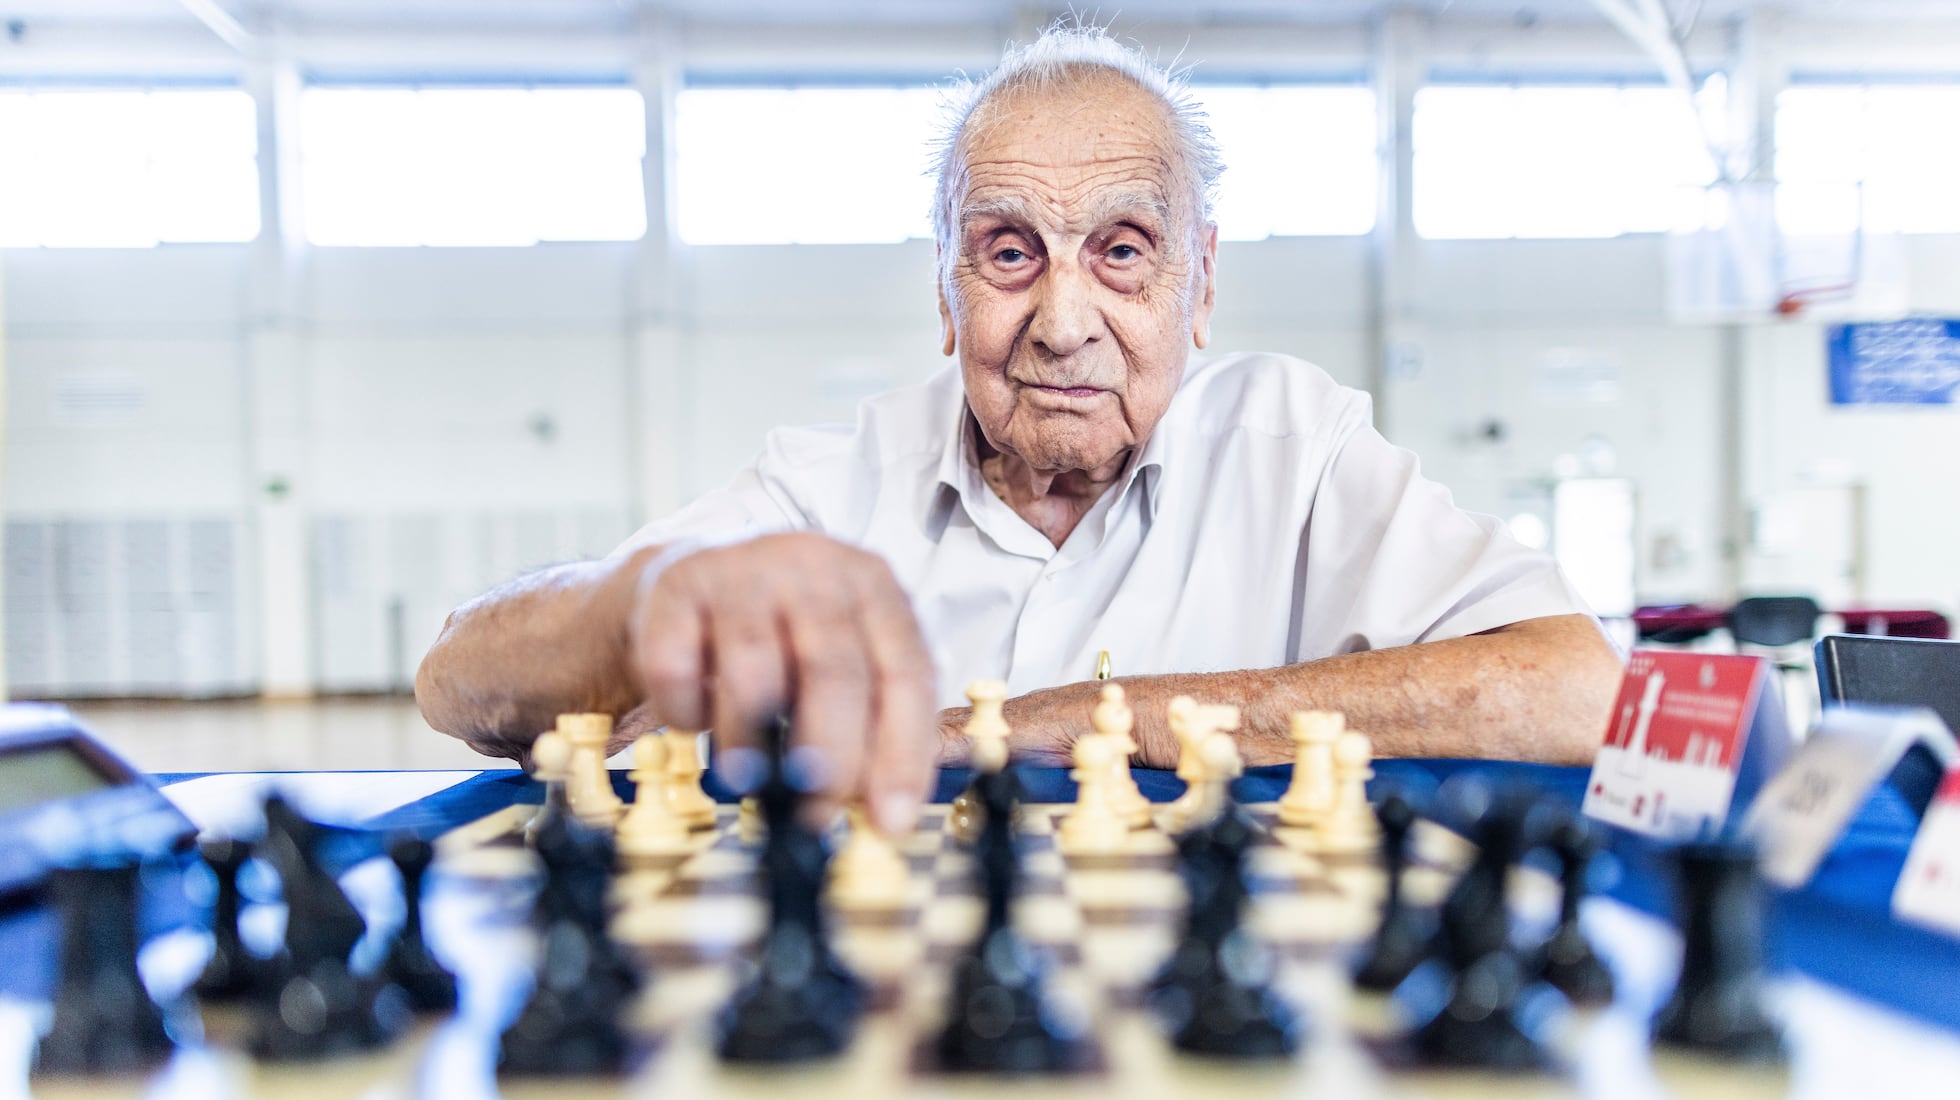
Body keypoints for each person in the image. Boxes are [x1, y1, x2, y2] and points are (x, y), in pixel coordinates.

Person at [416, 25, 1623, 836]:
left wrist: (1063, 723)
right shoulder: (825, 488)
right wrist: (634, 602)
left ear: (1200, 285)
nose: (1063, 322)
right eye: (1008, 253)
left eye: (1122, 252)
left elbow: (1577, 692)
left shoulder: (1294, 446)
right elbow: (455, 682)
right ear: (946, 294)